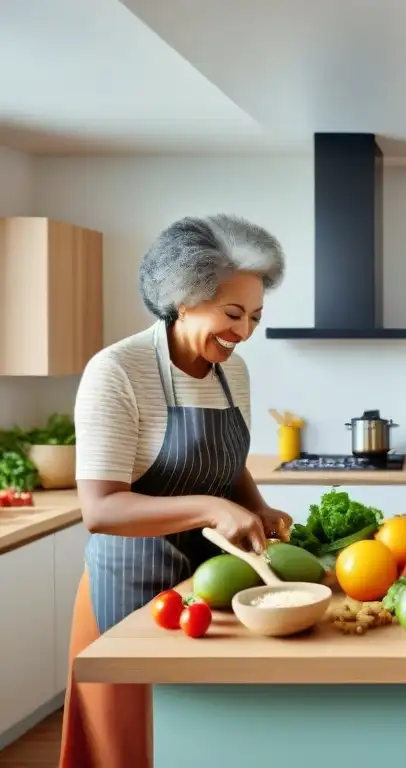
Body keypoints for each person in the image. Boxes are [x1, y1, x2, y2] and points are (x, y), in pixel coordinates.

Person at [60, 214, 291, 768]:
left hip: (211, 589)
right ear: (183, 299)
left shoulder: (233, 372)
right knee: (137, 748)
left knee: (205, 743)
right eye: (232, 314)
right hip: (131, 592)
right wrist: (212, 508)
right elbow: (100, 508)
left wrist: (256, 506)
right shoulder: (116, 370)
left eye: (255, 316)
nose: (244, 332)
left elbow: (227, 465)